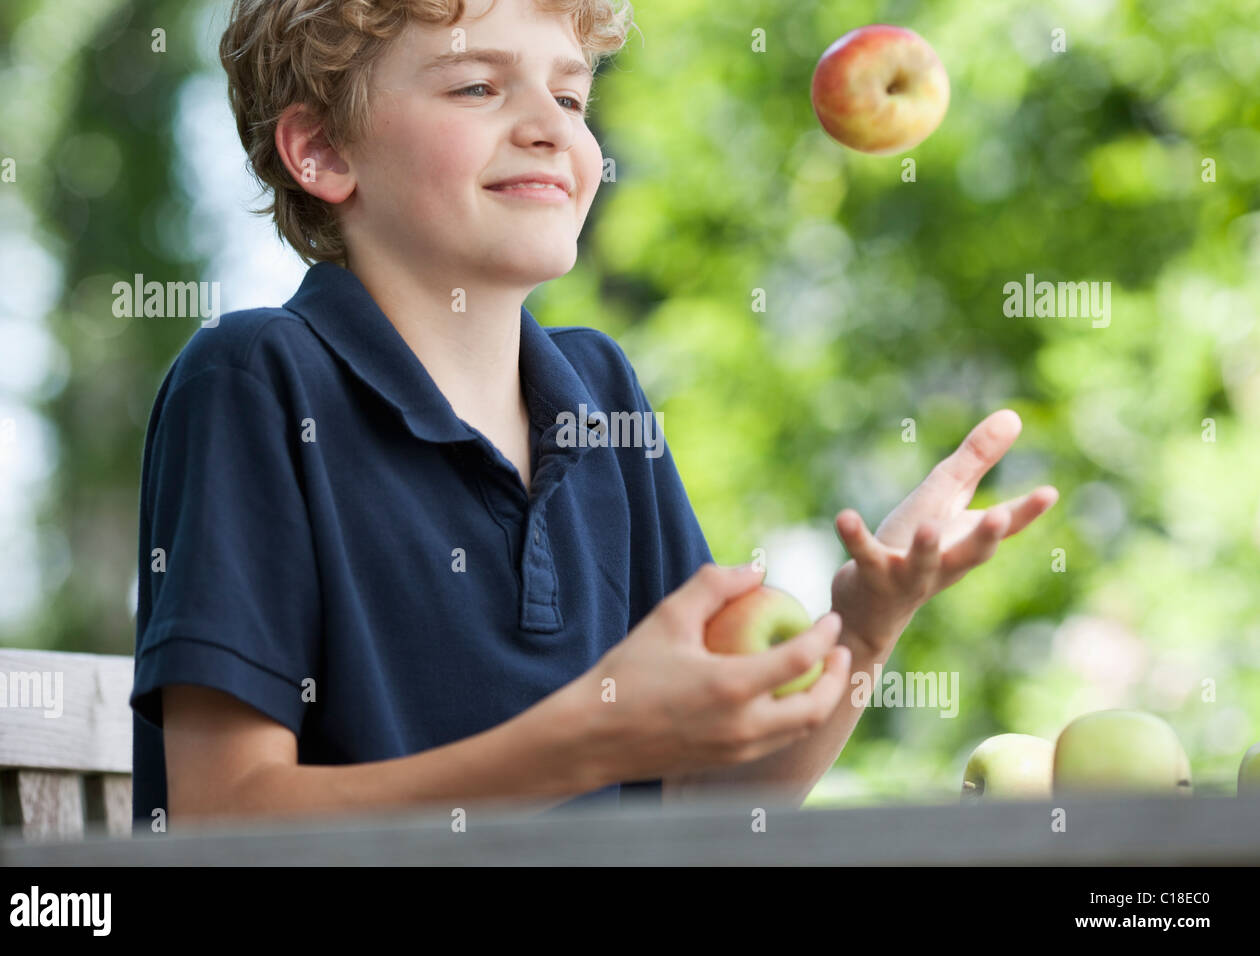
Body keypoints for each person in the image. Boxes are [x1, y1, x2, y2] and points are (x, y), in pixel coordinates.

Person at [130, 0, 1058, 831]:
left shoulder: (600, 395)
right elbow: (223, 820)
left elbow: (703, 805)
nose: (549, 128)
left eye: (571, 99)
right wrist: (584, 740)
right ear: (321, 151)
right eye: (478, 86)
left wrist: (862, 629)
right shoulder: (256, 379)